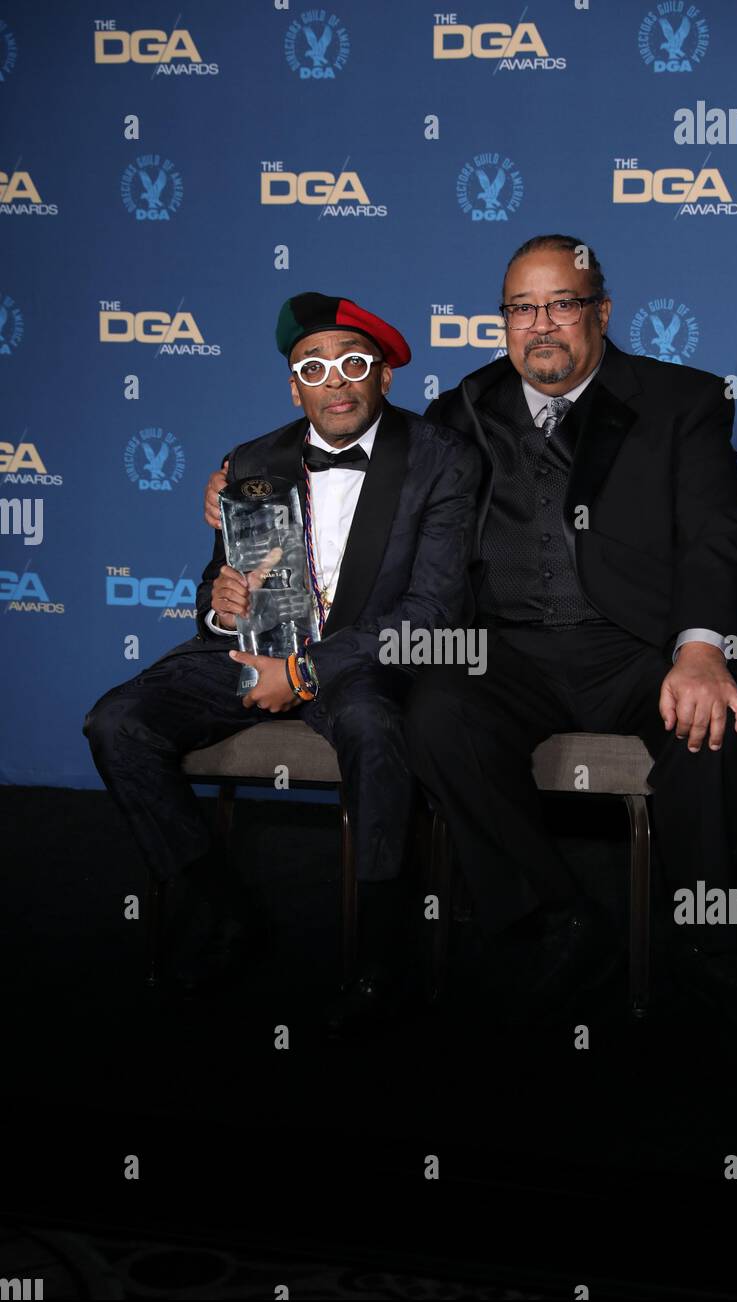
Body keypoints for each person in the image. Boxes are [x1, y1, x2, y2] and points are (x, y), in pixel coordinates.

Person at [404, 234, 737, 1027]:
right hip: (508, 649)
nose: (542, 324)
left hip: (637, 647)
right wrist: (252, 476)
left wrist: (703, 649)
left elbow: (719, 533)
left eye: (562, 304)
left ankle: (708, 938)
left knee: (715, 721)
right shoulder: (462, 409)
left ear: (601, 313)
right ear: (503, 320)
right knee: (436, 709)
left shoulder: (682, 402)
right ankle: (553, 919)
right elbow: (372, 474)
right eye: (521, 308)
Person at [85, 292, 480, 1034]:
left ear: (384, 376)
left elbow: (432, 615)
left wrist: (302, 675)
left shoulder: (441, 461)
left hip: (365, 661)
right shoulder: (254, 458)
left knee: (374, 730)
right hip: (254, 649)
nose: (336, 381)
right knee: (117, 723)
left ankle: (380, 955)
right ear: (293, 385)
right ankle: (225, 913)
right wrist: (221, 604)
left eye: (354, 363)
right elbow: (214, 586)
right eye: (314, 367)